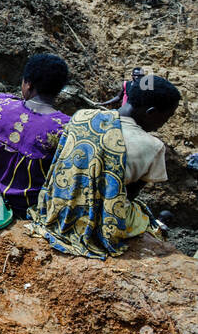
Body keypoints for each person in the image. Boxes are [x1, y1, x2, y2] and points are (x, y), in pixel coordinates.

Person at [29, 76, 179, 259]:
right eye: (167, 117)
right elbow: (128, 194)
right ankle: (159, 227)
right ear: (151, 112)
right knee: (142, 215)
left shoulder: (81, 116)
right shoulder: (153, 146)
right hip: (100, 224)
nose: (164, 124)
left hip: (57, 209)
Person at [0, 53, 71, 216]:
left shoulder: (0, 105)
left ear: (28, 85)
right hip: (26, 209)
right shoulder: (64, 128)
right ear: (59, 90)